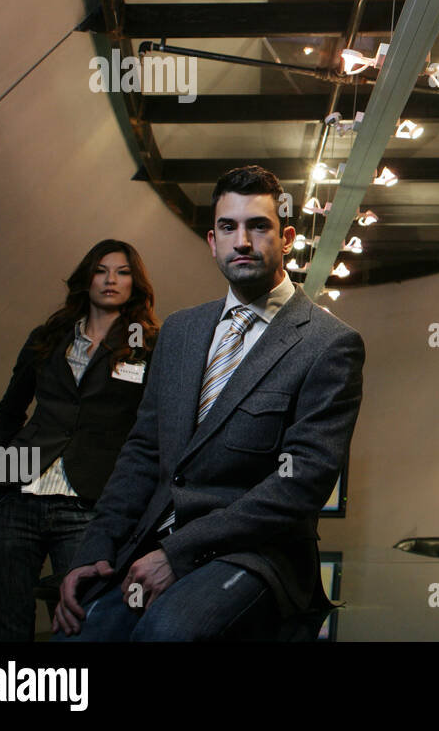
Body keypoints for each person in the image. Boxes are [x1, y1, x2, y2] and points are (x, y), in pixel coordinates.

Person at [52, 164, 364, 641]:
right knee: (79, 636)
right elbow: (142, 453)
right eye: (228, 227)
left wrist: (180, 555)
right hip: (150, 539)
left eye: (258, 226)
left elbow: (301, 483)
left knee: (167, 633)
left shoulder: (328, 343)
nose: (242, 240)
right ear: (212, 241)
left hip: (257, 555)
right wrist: (96, 548)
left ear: (286, 239)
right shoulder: (179, 331)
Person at [0, 239, 160, 642]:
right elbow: (10, 411)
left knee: (81, 624)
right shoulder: (47, 337)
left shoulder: (148, 346)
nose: (111, 279)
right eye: (101, 269)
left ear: (136, 284)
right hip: (16, 499)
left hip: (90, 507)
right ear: (87, 278)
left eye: (123, 271)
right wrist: (0, 468)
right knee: (5, 625)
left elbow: (153, 433)